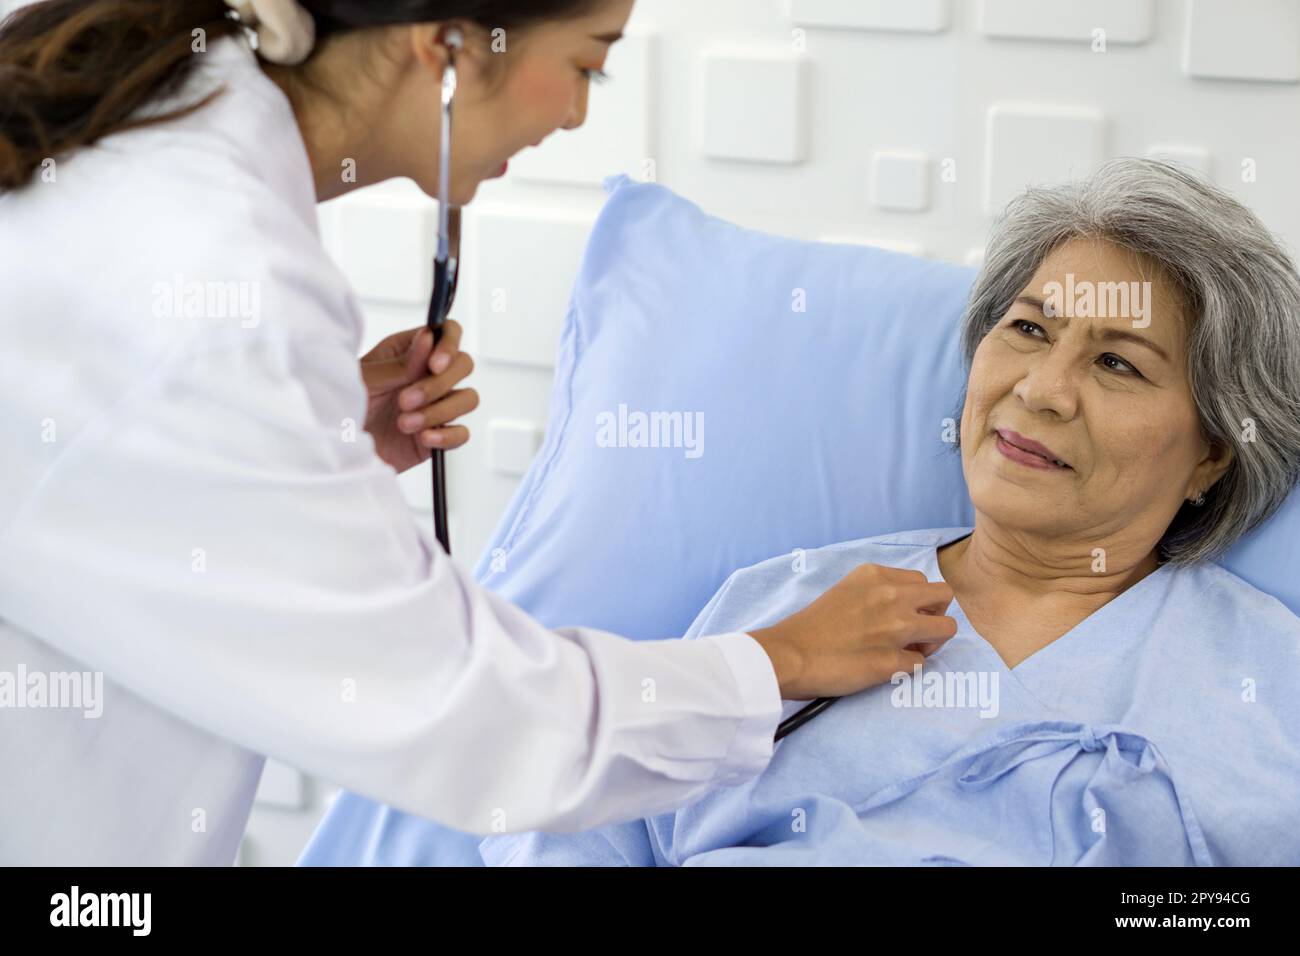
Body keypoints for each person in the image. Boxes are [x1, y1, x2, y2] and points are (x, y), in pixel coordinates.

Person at [0, 0, 956, 865]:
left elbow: (116, 487)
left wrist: (309, 436)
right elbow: (461, 711)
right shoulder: (223, 284)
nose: (576, 115)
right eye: (587, 64)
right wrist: (780, 659)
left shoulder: (148, 163)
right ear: (449, 43)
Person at [478, 160, 1300, 865]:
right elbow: (570, 821)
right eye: (1027, 328)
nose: (1042, 389)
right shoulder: (786, 603)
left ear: (1213, 451)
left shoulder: (1266, 679)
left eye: (1117, 363)